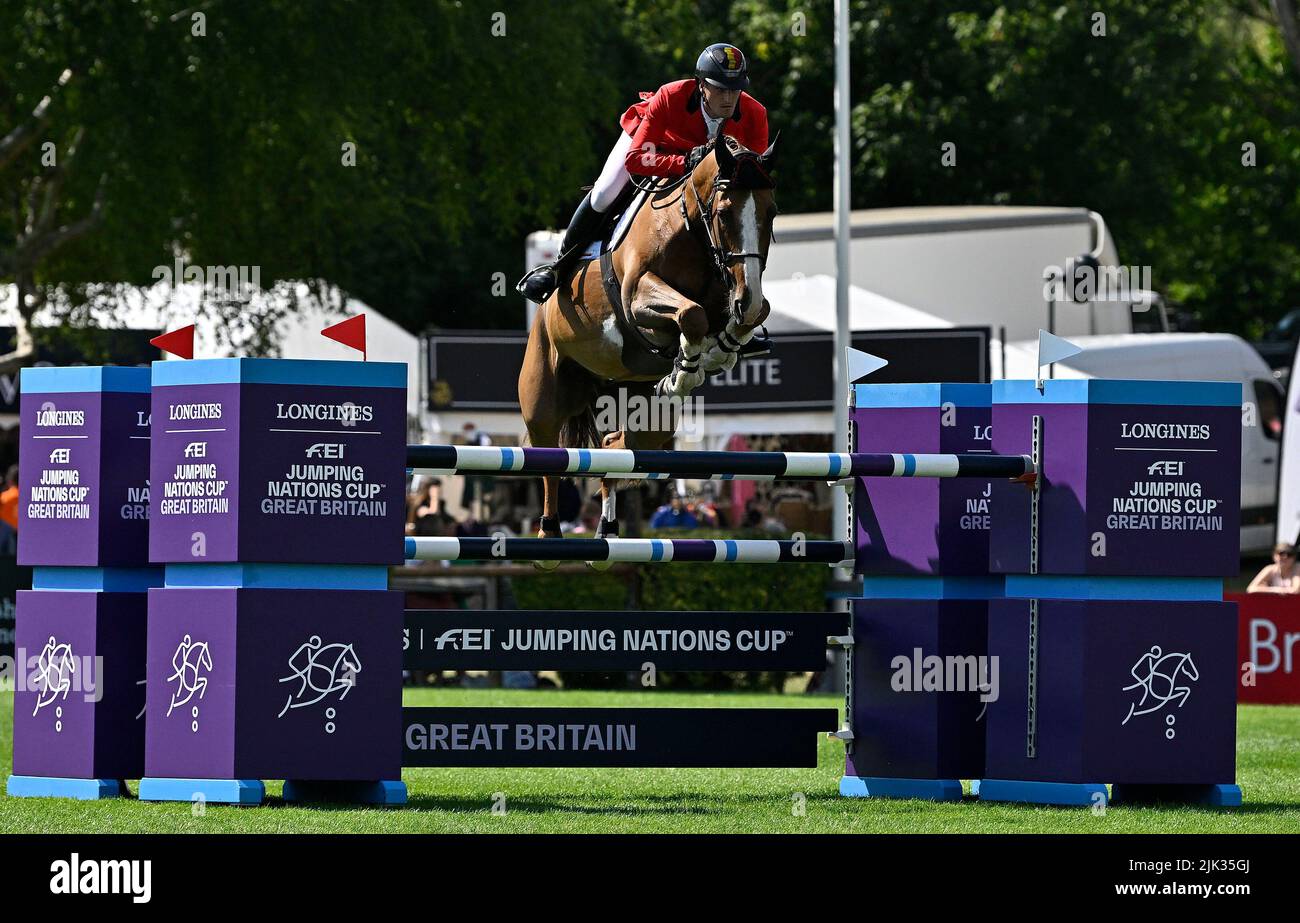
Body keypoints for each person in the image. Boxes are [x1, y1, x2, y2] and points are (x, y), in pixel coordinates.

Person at [517, 42, 771, 362]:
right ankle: (558, 268)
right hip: (654, 144)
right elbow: (638, 159)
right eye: (721, 90)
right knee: (605, 192)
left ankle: (738, 315)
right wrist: (683, 163)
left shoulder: (755, 114)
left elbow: (752, 179)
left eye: (736, 90)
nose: (729, 98)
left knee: (740, 222)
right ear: (701, 86)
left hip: (706, 176)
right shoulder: (671, 97)